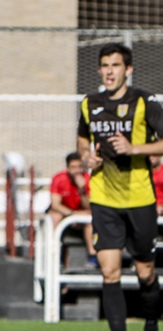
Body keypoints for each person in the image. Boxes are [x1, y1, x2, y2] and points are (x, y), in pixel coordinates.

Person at [77, 42, 163, 331]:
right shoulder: (90, 104)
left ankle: (151, 321)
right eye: (104, 65)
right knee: (110, 271)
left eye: (115, 65)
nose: (109, 71)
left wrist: (134, 147)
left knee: (145, 271)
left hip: (139, 198)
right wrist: (85, 156)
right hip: (104, 198)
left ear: (128, 69)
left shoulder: (144, 101)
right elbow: (81, 138)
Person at [48, 152, 96, 268]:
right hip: (67, 214)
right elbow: (55, 204)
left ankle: (92, 255)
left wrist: (82, 190)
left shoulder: (88, 180)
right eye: (73, 167)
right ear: (68, 169)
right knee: (55, 216)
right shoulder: (59, 179)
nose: (77, 171)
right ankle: (55, 253)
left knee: (90, 220)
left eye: (80, 167)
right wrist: (72, 214)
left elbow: (88, 207)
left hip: (81, 217)